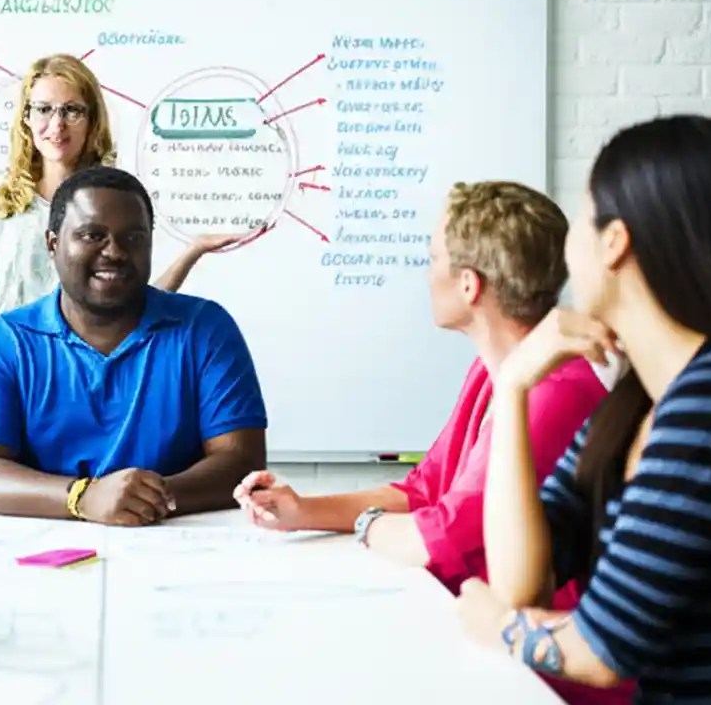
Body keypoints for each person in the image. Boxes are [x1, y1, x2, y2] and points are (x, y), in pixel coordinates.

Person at [234, 181, 627, 704]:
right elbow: (424, 490)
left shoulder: (554, 392)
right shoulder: (490, 374)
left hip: (546, 678)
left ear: (468, 285)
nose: (426, 272)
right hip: (492, 650)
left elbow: (441, 536)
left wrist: (368, 525)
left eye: (433, 257)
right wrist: (302, 511)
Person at [457, 115, 711, 703]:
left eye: (581, 217)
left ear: (614, 241)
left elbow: (604, 649)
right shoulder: (634, 406)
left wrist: (495, 625)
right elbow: (522, 583)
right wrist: (514, 384)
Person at [0, 166, 267, 526]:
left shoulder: (205, 329)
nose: (114, 251)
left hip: (178, 540)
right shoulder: (6, 340)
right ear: (53, 244)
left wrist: (137, 500)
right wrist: (82, 497)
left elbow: (242, 462)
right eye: (92, 235)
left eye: (133, 237)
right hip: (42, 547)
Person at [0, 53, 240, 328]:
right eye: (43, 109)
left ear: (92, 120)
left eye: (72, 111)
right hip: (16, 376)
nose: (56, 125)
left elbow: (133, 307)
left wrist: (193, 251)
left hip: (87, 378)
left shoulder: (114, 206)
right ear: (26, 118)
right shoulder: (4, 208)